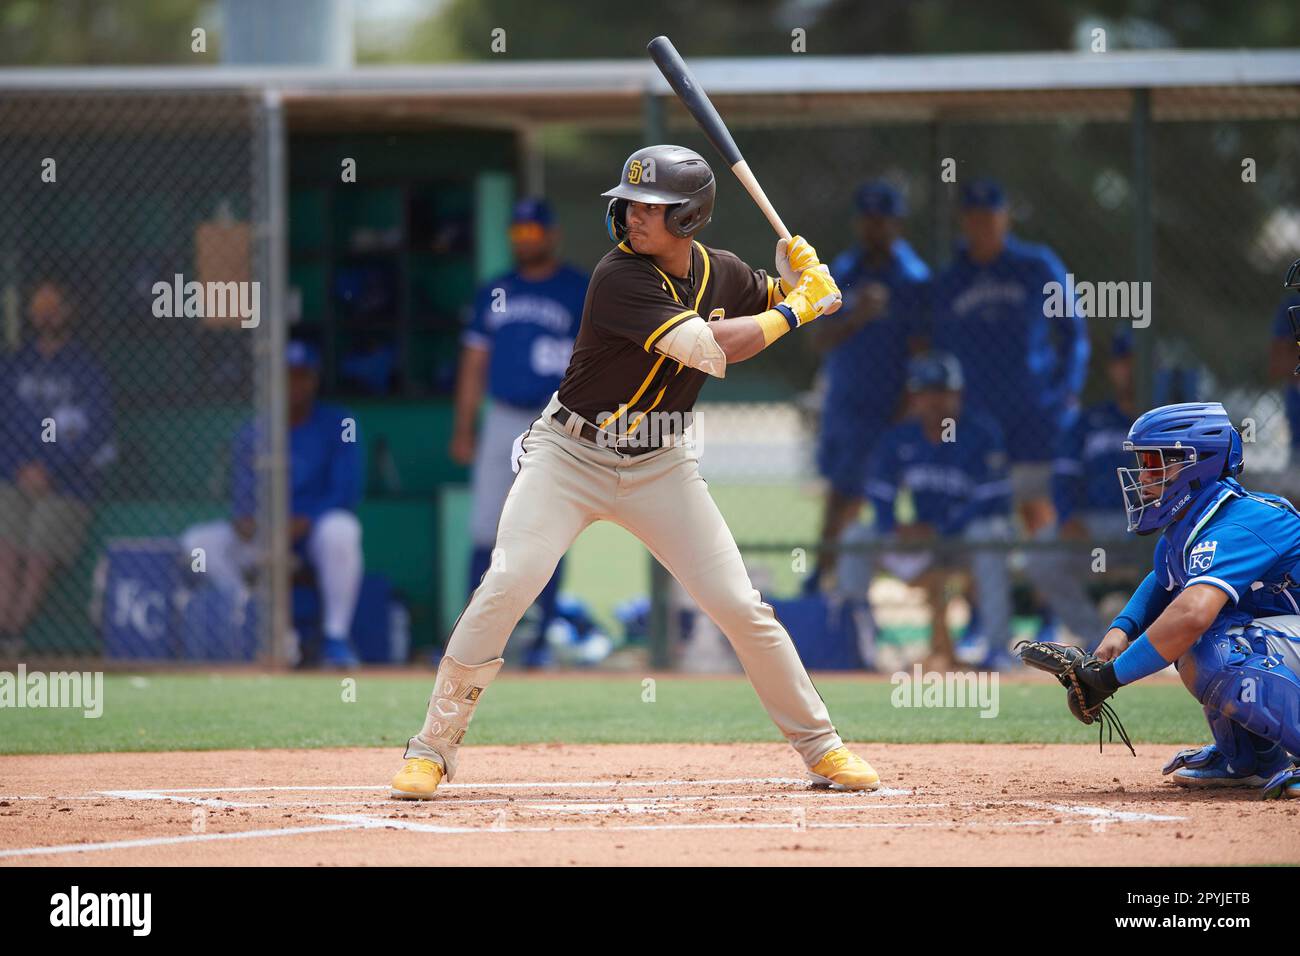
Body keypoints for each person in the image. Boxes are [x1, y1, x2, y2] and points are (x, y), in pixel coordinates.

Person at [391, 144, 880, 799]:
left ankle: (823, 747)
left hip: (661, 464)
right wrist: (799, 307)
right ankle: (431, 748)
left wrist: (800, 278)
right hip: (570, 456)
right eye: (631, 204)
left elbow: (787, 301)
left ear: (690, 217)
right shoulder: (617, 278)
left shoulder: (725, 274)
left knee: (740, 604)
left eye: (654, 207)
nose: (634, 216)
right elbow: (713, 349)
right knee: (508, 580)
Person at [1087, 402, 1300, 799]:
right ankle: (1249, 760)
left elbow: (1190, 615)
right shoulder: (1191, 528)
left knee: (1209, 642)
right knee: (1208, 636)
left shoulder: (1242, 521)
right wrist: (1120, 631)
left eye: (1155, 462)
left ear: (1197, 464)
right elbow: (1164, 583)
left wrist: (1109, 679)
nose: (1144, 476)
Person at [452, 198, 588, 665]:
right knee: (485, 528)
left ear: (552, 236)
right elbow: (474, 362)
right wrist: (464, 426)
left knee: (549, 532)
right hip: (503, 416)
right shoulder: (496, 290)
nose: (525, 242)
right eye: (518, 235)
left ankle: (539, 643)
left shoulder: (577, 288)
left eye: (533, 234)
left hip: (556, 420)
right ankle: (470, 641)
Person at [183, 341, 364, 667]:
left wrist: (303, 521)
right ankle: (250, 613)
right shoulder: (253, 431)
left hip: (310, 536)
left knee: (343, 531)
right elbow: (242, 500)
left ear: (314, 380)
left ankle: (335, 638)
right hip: (263, 537)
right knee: (198, 543)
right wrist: (248, 521)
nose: (295, 384)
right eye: (287, 376)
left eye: (302, 376)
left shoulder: (339, 425)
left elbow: (345, 492)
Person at [928, 178, 1089, 536]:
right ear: (963, 221)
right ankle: (979, 591)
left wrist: (1066, 390)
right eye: (975, 216)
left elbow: (1073, 330)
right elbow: (937, 347)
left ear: (1005, 219)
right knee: (982, 506)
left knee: (1038, 500)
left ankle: (1038, 587)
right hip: (975, 408)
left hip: (1031, 406)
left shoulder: (1035, 266)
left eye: (991, 216)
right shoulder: (951, 279)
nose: (983, 225)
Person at [835, 352, 1014, 670]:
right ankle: (857, 643)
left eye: (942, 392)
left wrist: (940, 530)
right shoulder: (900, 438)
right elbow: (880, 492)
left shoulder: (981, 433)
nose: (934, 401)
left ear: (957, 394)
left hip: (961, 541)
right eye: (925, 392)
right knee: (856, 535)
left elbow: (990, 500)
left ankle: (998, 647)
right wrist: (893, 527)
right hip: (918, 543)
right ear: (915, 397)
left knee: (991, 533)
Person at [806, 181, 930, 593]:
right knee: (841, 495)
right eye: (867, 220)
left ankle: (930, 592)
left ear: (896, 224)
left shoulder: (912, 277)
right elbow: (817, 338)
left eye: (883, 221)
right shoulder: (842, 272)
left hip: (895, 408)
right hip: (847, 404)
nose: (874, 229)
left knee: (907, 499)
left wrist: (912, 401)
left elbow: (923, 347)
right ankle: (821, 582)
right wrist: (857, 315)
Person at [0, 279, 115, 652]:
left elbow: (95, 433)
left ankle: (11, 631)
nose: (46, 313)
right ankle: (5, 629)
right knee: (6, 544)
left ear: (70, 311)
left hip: (67, 484)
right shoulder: (16, 365)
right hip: (13, 475)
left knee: (38, 549)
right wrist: (19, 466)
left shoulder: (87, 370)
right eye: (40, 305)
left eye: (55, 305)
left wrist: (51, 470)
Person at [1025, 334, 1140, 646]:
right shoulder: (1090, 421)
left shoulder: (1168, 418)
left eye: (1137, 361)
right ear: (1113, 369)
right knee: (1040, 556)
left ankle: (1162, 645)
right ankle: (1096, 640)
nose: (1130, 369)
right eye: (1123, 361)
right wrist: (1067, 517)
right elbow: (1063, 479)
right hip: (1095, 524)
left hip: (1153, 527)